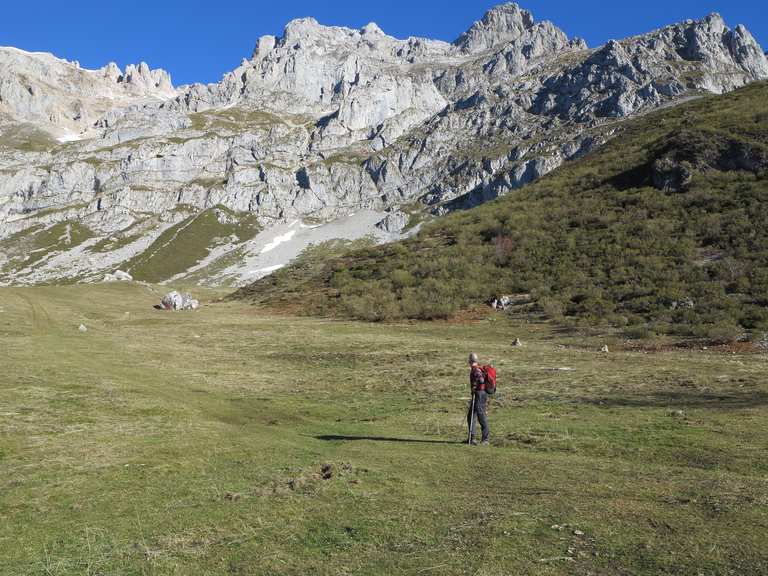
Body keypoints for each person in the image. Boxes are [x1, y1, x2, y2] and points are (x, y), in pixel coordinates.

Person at [467, 352, 489, 445]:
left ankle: (485, 439)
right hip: (478, 394)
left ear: (470, 361)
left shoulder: (476, 370)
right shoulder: (476, 368)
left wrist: (475, 386)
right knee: (471, 416)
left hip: (479, 394)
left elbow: (481, 380)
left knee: (481, 416)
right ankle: (472, 438)